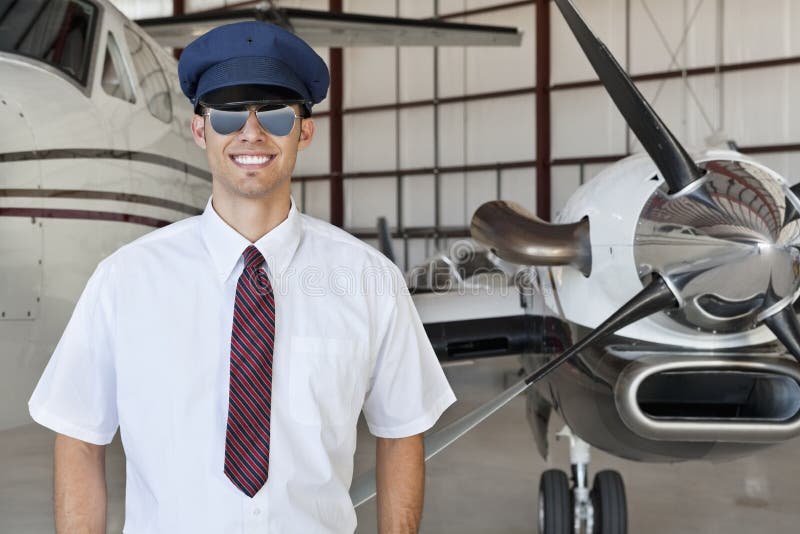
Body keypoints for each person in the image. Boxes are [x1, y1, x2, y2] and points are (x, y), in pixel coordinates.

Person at [28, 21, 455, 534]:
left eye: (274, 114)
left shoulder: (369, 282)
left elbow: (402, 433)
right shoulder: (124, 281)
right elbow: (78, 436)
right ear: (199, 128)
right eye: (228, 113)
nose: (251, 133)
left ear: (305, 130)